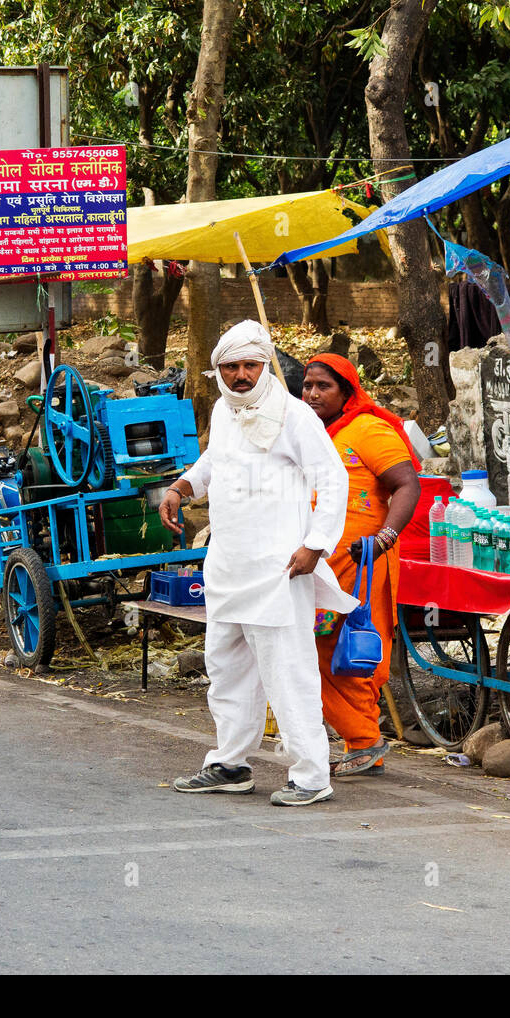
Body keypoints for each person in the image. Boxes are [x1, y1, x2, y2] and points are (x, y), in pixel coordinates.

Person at [158, 321, 358, 807]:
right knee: (226, 668)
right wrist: (182, 487)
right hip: (227, 567)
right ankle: (230, 764)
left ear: (265, 365)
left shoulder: (294, 415)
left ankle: (311, 775)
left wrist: (316, 544)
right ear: (218, 371)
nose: (242, 375)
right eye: (231, 367)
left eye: (250, 365)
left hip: (279, 569)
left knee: (288, 672)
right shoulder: (226, 411)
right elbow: (214, 462)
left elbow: (332, 480)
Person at [303, 354, 421, 777]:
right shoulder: (310, 433)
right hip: (319, 564)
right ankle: (361, 739)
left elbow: (408, 484)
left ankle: (365, 741)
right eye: (307, 386)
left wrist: (384, 538)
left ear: (347, 392)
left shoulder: (366, 428)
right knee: (312, 649)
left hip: (363, 564)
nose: (313, 394)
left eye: (324, 386)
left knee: (351, 650)